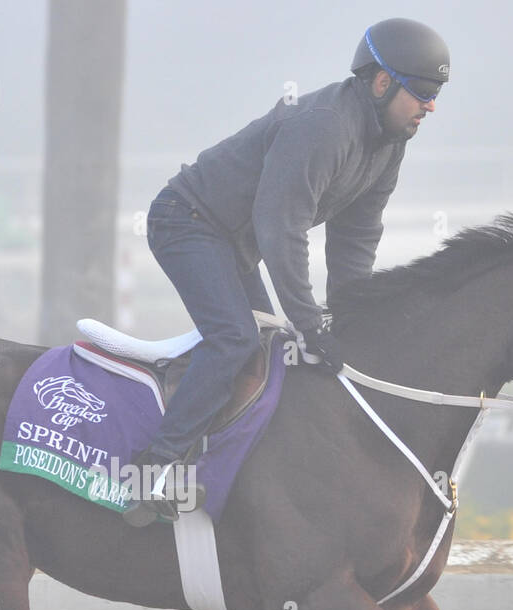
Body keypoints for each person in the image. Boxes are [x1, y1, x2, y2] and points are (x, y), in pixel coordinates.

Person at [123, 17, 450, 526]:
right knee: (234, 339)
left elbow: (355, 239)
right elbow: (281, 229)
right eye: (424, 91)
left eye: (437, 94)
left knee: (266, 352)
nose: (431, 106)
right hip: (185, 222)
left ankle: (218, 463)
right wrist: (309, 321)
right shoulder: (323, 127)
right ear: (382, 82)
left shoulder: (389, 141)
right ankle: (152, 470)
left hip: (231, 240)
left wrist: (348, 318)